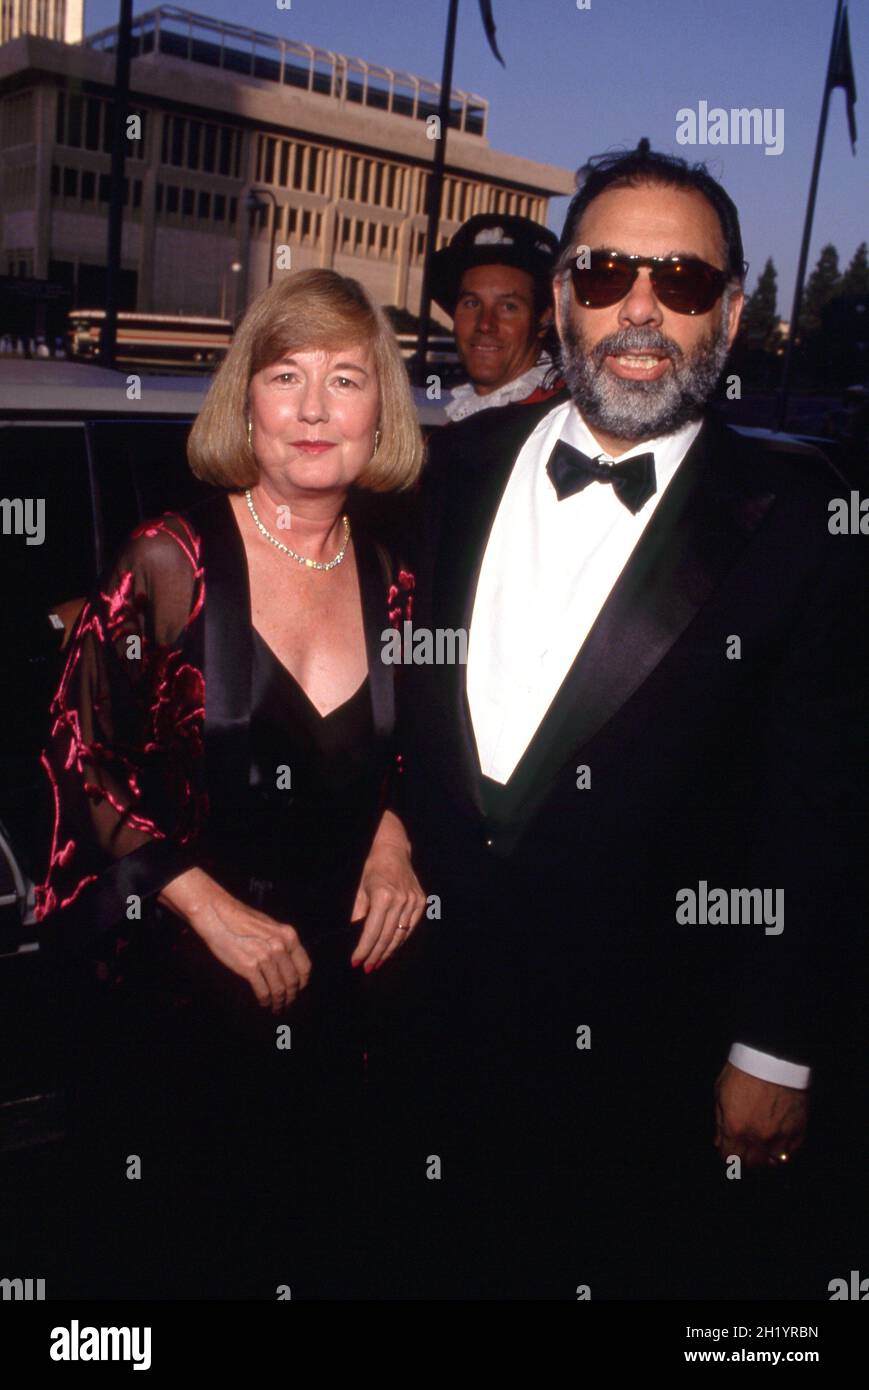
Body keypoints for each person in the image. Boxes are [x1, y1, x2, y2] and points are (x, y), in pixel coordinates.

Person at [391, 145, 868, 1299]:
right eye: (605, 274)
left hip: (645, 1073)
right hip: (414, 1040)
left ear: (732, 313)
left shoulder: (803, 520)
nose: (639, 306)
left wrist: (773, 1046)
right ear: (564, 297)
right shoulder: (438, 469)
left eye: (682, 281)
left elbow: (823, 810)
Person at [34, 268, 427, 1298]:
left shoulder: (393, 579)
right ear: (244, 402)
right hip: (180, 1004)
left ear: (377, 409)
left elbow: (400, 755)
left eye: (345, 378)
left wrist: (392, 834)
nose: (310, 407)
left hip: (347, 1007)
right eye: (284, 373)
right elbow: (80, 758)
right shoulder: (169, 561)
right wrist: (208, 907)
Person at [430, 212, 564, 421]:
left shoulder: (560, 418)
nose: (485, 324)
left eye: (508, 307)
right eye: (472, 303)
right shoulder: (452, 419)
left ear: (543, 319)